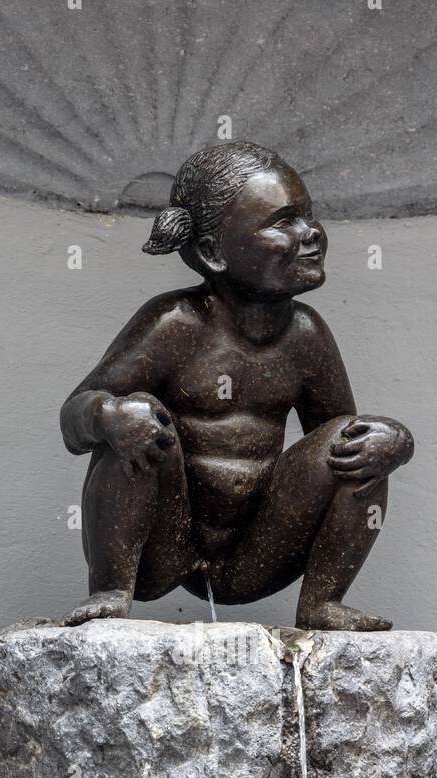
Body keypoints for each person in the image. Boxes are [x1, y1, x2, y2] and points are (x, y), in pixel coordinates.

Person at [59, 141, 413, 630]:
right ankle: (111, 589)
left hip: (257, 557)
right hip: (165, 550)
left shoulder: (305, 334)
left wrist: (395, 441)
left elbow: (335, 435)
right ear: (212, 251)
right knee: (135, 414)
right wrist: (109, 417)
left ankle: (321, 602)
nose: (310, 233)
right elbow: (74, 419)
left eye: (307, 216)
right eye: (283, 221)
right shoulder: (175, 323)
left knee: (362, 443)